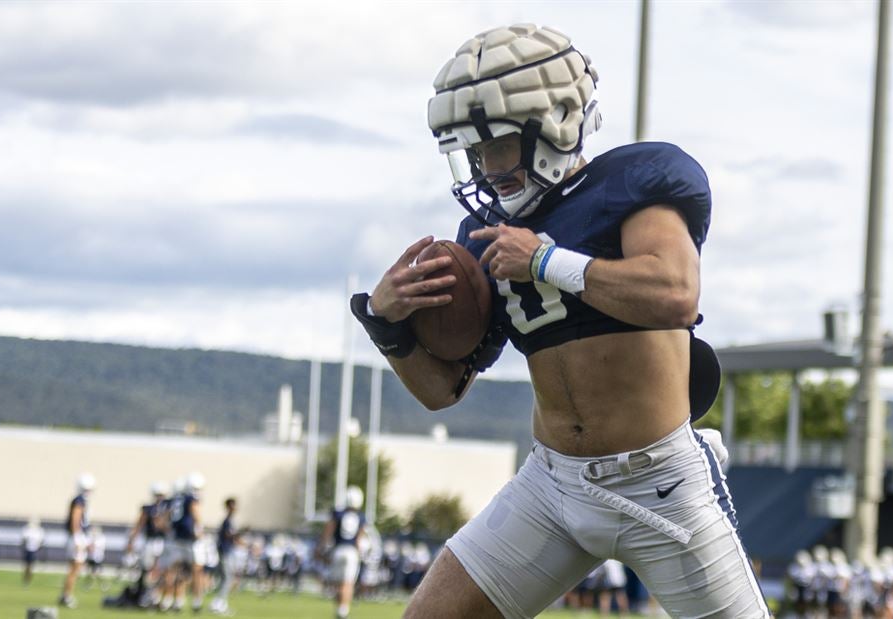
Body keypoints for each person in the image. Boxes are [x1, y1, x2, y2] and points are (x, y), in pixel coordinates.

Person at [352, 22, 763, 619]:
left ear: (556, 121)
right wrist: (387, 324)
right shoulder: (483, 235)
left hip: (661, 484)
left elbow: (674, 293)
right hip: (549, 485)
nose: (486, 167)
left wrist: (546, 260)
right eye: (473, 150)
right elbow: (443, 390)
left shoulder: (635, 181)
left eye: (498, 144)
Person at [163, 472, 206, 613]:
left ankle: (177, 601)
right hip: (191, 540)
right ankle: (196, 602)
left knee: (178, 571)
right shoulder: (190, 499)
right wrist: (200, 530)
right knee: (197, 571)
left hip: (176, 539)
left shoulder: (175, 499)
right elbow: (196, 514)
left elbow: (167, 519)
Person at [322, 486, 366, 619]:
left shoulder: (337, 513)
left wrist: (323, 549)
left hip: (338, 550)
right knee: (347, 583)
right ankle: (343, 610)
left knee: (337, 583)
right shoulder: (361, 517)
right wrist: (360, 554)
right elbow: (359, 539)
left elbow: (328, 532)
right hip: (351, 552)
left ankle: (339, 610)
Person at [60, 472, 95, 608]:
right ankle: (67, 596)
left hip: (79, 536)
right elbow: (76, 519)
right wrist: (78, 538)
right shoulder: (80, 500)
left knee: (74, 568)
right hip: (77, 537)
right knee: (75, 568)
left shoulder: (81, 500)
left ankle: (65, 594)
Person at [209, 497, 242, 615]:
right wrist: (241, 533)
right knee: (227, 578)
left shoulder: (230, 521)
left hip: (227, 552)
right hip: (225, 552)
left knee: (226, 578)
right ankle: (219, 603)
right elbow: (229, 536)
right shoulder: (227, 521)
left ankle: (219, 602)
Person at [22, 517, 45, 586]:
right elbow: (24, 540)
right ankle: (26, 579)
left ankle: (28, 579)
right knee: (27, 566)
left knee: (30, 566)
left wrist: (38, 547)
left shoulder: (39, 531)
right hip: (28, 550)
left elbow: (41, 541)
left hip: (34, 550)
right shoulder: (27, 529)